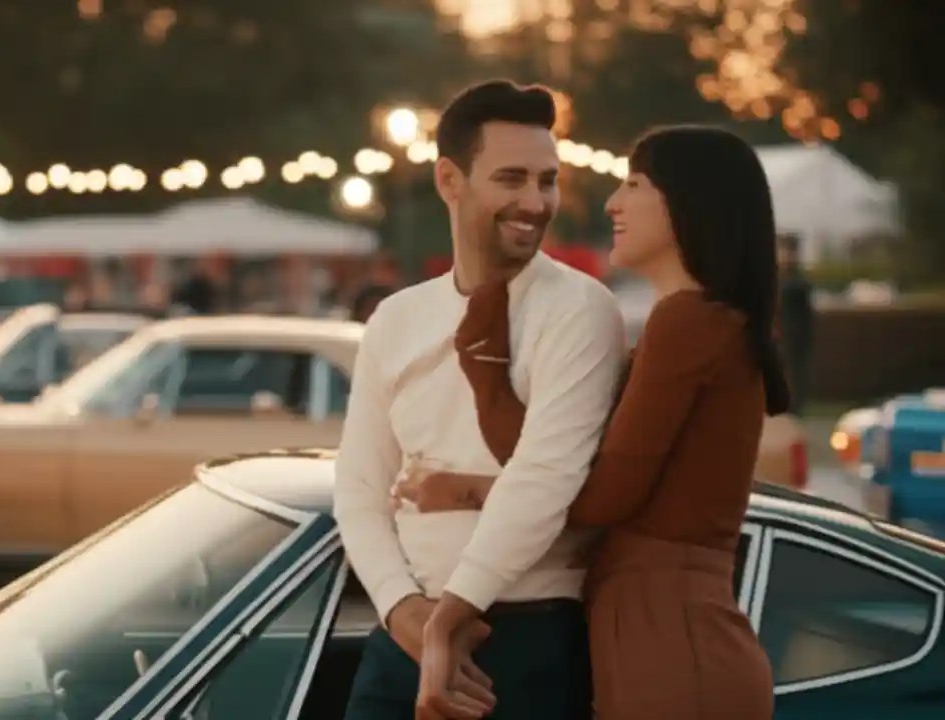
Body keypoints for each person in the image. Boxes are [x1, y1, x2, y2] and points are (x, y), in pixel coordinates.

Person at [398, 125, 784, 720]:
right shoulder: (695, 324)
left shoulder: (689, 324)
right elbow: (552, 470)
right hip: (656, 636)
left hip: (672, 643)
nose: (612, 203)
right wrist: (489, 372)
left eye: (634, 184)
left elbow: (597, 498)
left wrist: (468, 490)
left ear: (690, 203)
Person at [333, 79, 625, 720]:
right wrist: (407, 615)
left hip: (526, 641)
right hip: (401, 643)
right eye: (512, 178)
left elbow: (545, 480)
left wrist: (452, 614)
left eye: (546, 181)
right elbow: (358, 488)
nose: (535, 201)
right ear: (449, 180)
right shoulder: (395, 319)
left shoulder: (580, 310)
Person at [777, 233, 814, 414]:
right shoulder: (774, 279)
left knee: (794, 376)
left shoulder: (798, 283)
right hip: (777, 336)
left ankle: (793, 408)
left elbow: (806, 316)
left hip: (793, 337)